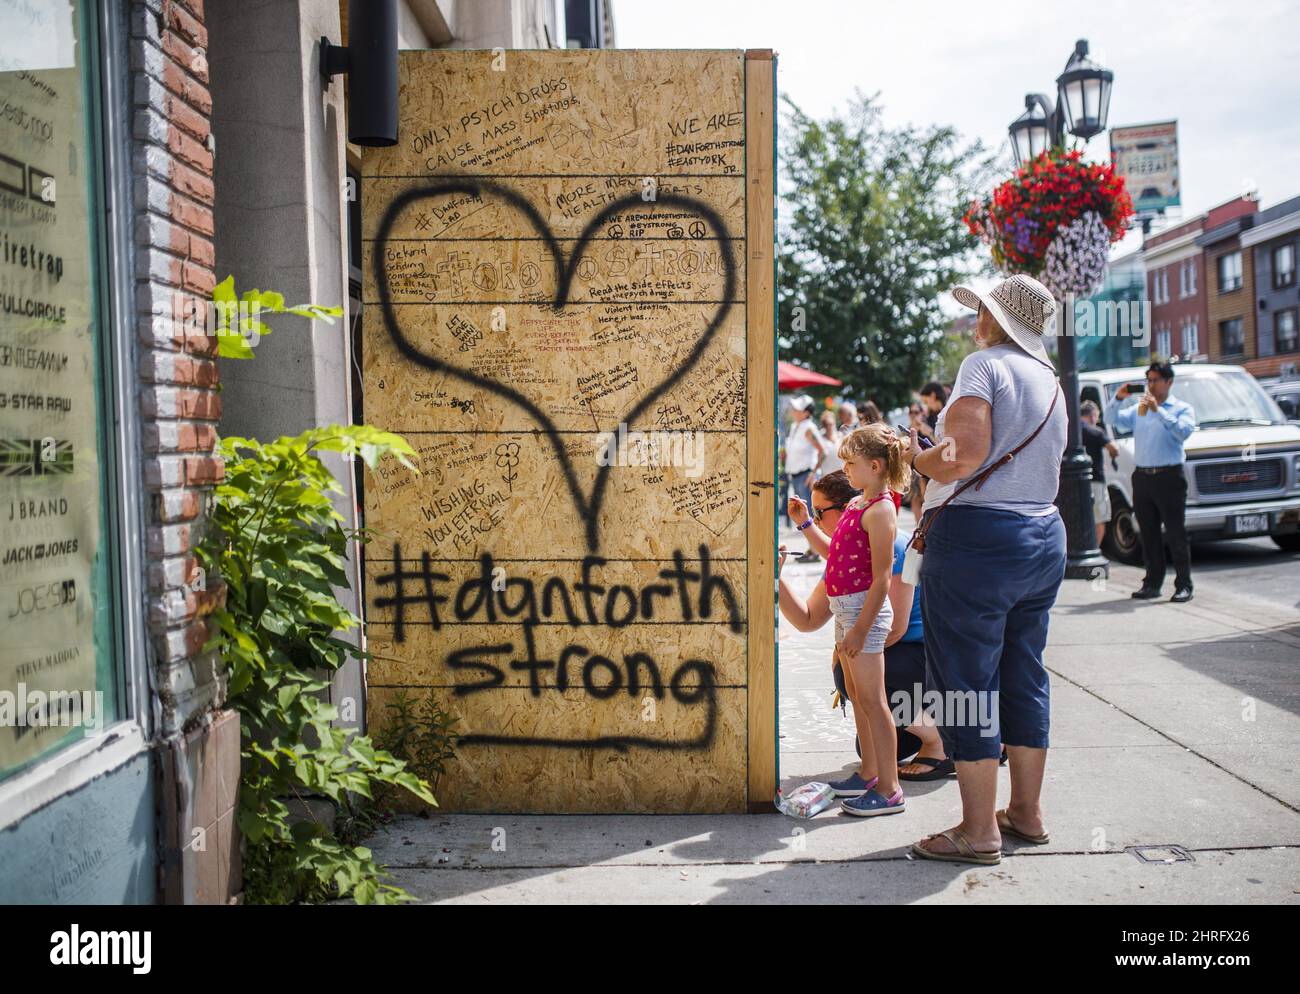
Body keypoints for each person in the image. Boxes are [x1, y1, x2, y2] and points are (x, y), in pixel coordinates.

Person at [906, 273, 1067, 866]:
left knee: (964, 682)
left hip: (977, 540)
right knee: (1024, 672)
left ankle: (978, 830)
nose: (977, 318)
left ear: (998, 319)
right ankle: (1025, 812)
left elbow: (963, 455)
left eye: (983, 309)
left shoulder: (984, 365)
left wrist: (916, 457)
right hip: (1042, 533)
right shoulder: (1048, 377)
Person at [781, 472, 948, 780]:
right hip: (898, 664)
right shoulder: (844, 557)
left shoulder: (894, 545)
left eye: (819, 513)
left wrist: (849, 645)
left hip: (922, 659)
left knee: (850, 670)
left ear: (850, 509)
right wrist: (775, 580)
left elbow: (896, 628)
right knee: (868, 746)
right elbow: (808, 619)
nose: (814, 521)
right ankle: (901, 751)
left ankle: (938, 742)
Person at [1109, 361, 1197, 602]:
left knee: (1176, 532)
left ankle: (1184, 585)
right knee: (1148, 533)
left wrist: (1159, 410)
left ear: (1169, 382)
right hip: (1144, 477)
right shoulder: (1141, 409)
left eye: (1155, 380)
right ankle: (1152, 583)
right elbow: (1112, 419)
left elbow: (1183, 432)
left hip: (1169, 476)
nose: (1151, 384)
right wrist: (1118, 397)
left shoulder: (1181, 408)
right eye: (1148, 380)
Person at [784, 395, 826, 561]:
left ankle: (815, 551)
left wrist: (813, 473)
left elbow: (822, 451)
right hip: (797, 475)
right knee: (804, 514)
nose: (794, 411)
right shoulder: (797, 426)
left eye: (798, 409)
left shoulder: (808, 428)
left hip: (805, 475)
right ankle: (813, 549)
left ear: (806, 412)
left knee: (808, 515)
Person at [1079, 399, 1118, 547]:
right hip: (1096, 480)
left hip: (1074, 483)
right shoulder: (1096, 432)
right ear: (1093, 415)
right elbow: (1114, 449)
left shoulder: (1071, 431)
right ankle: (1094, 549)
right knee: (1099, 519)